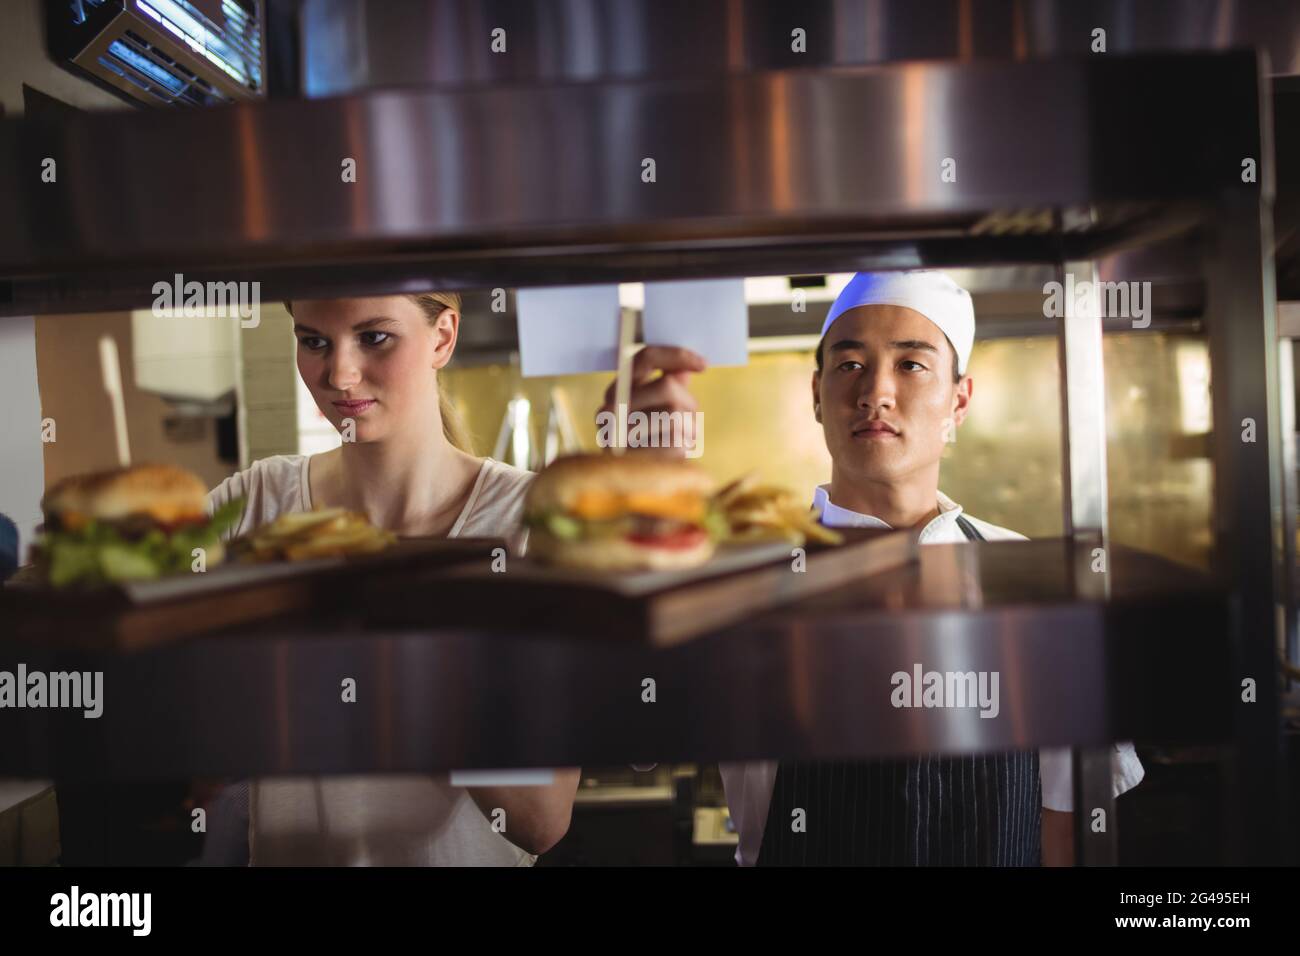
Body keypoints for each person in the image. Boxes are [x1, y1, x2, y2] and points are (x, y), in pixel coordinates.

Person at [615, 271, 1144, 866]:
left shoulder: (1037, 583)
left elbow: (1065, 826)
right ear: (817, 394)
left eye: (911, 364)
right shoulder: (735, 580)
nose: (875, 393)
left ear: (959, 400)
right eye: (849, 365)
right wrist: (631, 513)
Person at [203, 292, 579, 865]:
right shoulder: (254, 505)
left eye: (374, 337)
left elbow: (539, 818)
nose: (340, 374)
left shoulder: (533, 525)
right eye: (314, 342)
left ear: (443, 338)